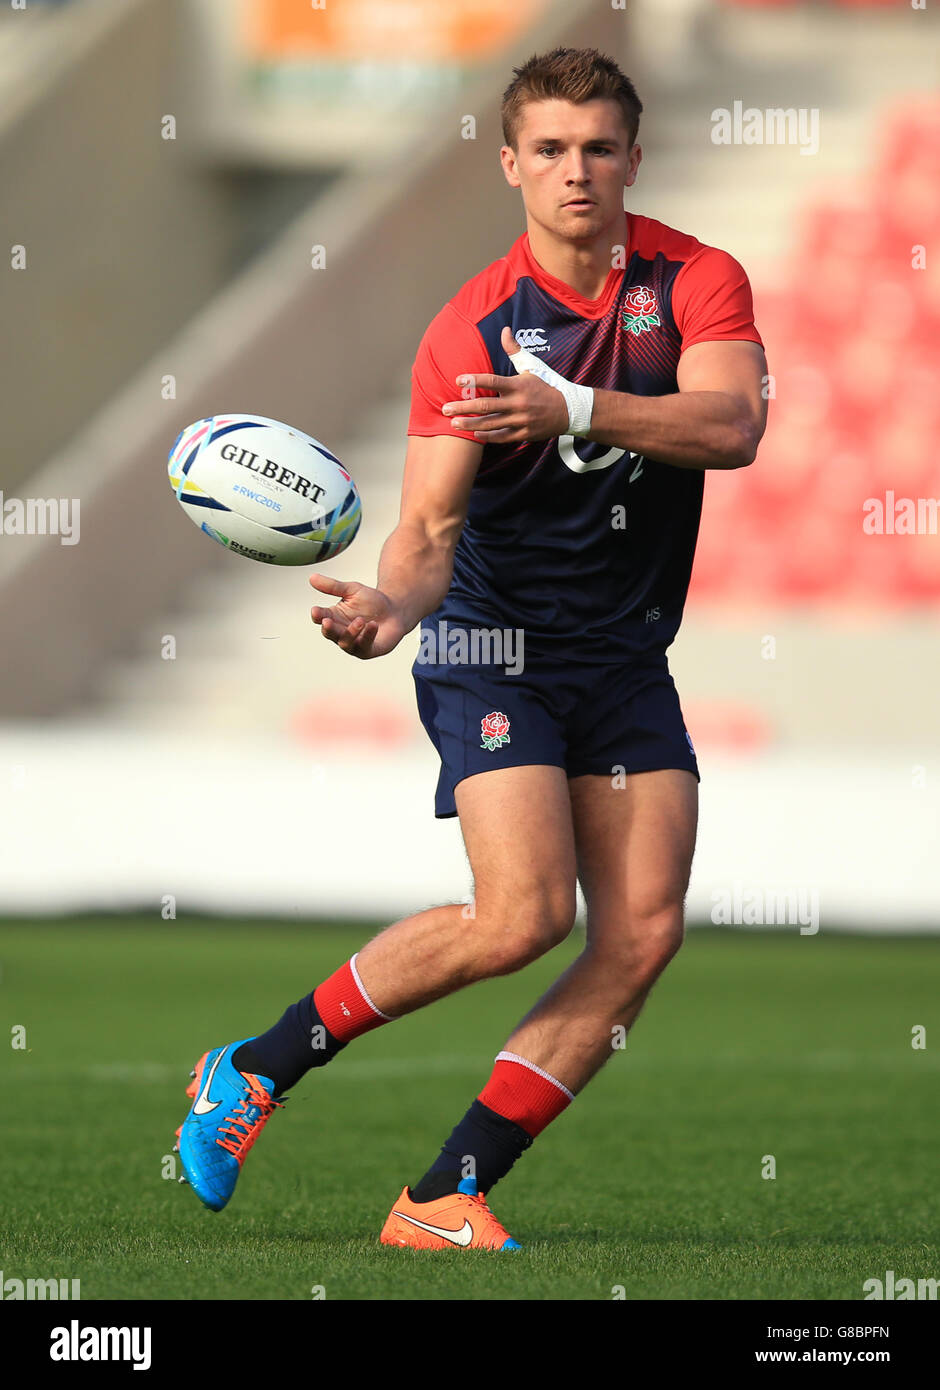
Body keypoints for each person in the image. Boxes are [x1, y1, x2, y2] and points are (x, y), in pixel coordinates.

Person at [175, 45, 767, 1251]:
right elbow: (427, 530)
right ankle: (253, 1067)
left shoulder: (694, 279)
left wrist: (579, 409)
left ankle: (442, 1194)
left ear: (633, 160)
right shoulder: (473, 330)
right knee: (521, 916)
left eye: (599, 148)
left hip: (622, 653)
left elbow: (734, 423)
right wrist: (389, 610)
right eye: (548, 150)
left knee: (645, 931)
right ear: (510, 165)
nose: (575, 172)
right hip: (491, 642)